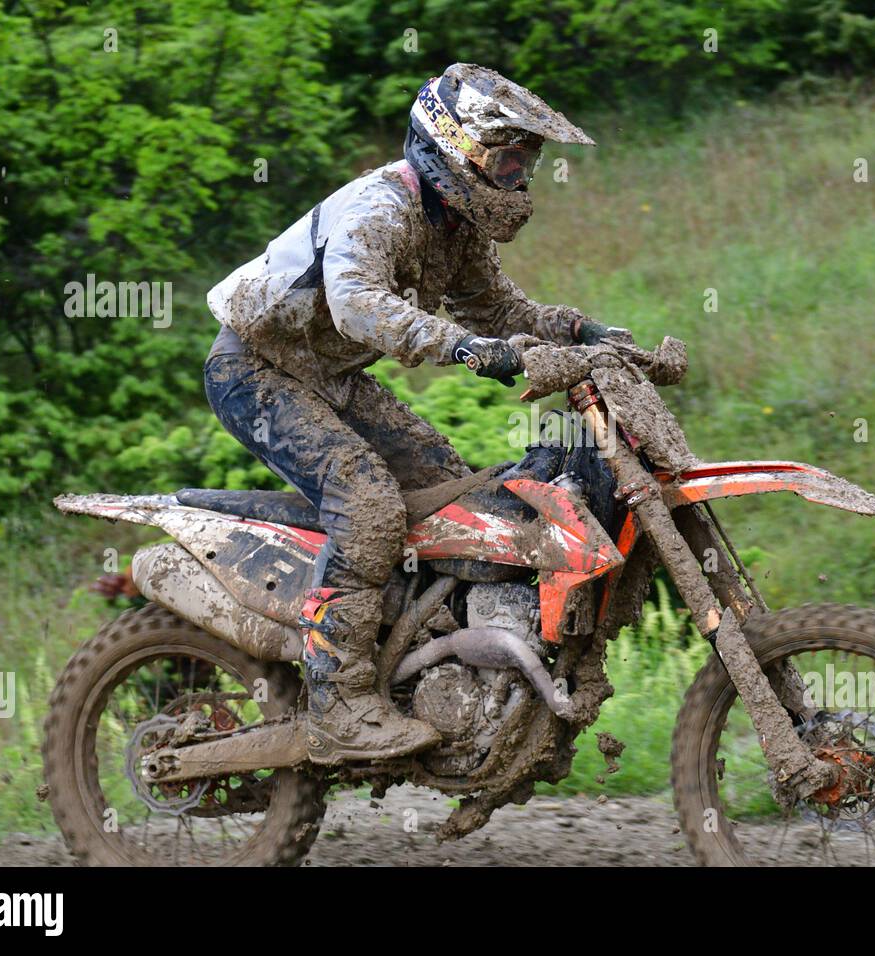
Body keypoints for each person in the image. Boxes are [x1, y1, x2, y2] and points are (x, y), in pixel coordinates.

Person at [204, 63, 623, 763]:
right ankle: (339, 699)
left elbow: (499, 310)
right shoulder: (384, 207)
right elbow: (357, 303)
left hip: (328, 376)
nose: (519, 178)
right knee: (367, 506)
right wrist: (464, 349)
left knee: (454, 497)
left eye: (527, 163)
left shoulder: (456, 225)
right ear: (454, 147)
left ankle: (428, 667)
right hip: (255, 371)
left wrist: (584, 332)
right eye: (507, 159)